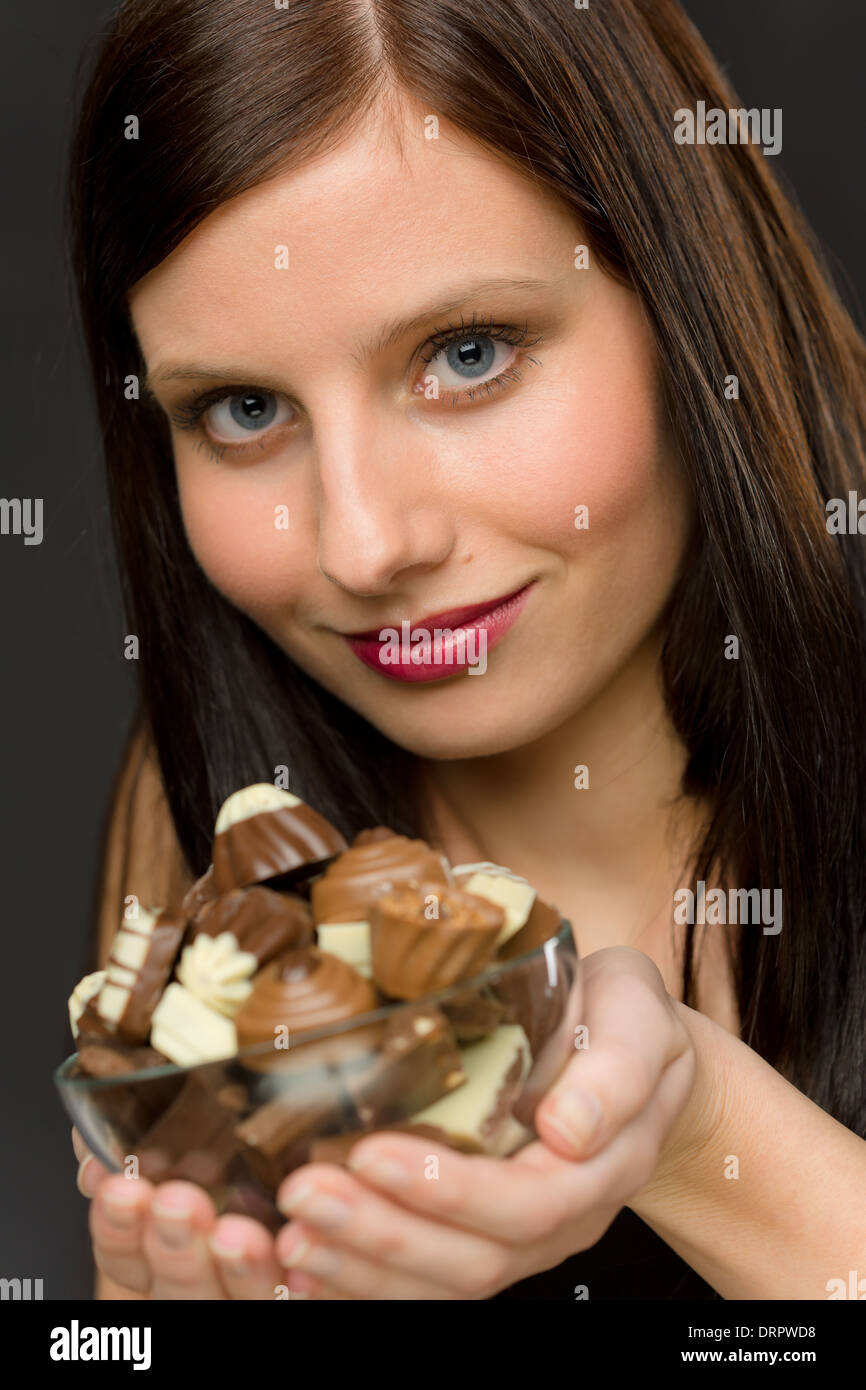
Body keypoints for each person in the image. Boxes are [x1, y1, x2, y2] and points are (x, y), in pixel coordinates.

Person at [68, 0, 866, 1300]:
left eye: (467, 354)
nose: (365, 545)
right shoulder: (216, 849)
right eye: (245, 409)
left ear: (689, 313)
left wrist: (700, 1131)